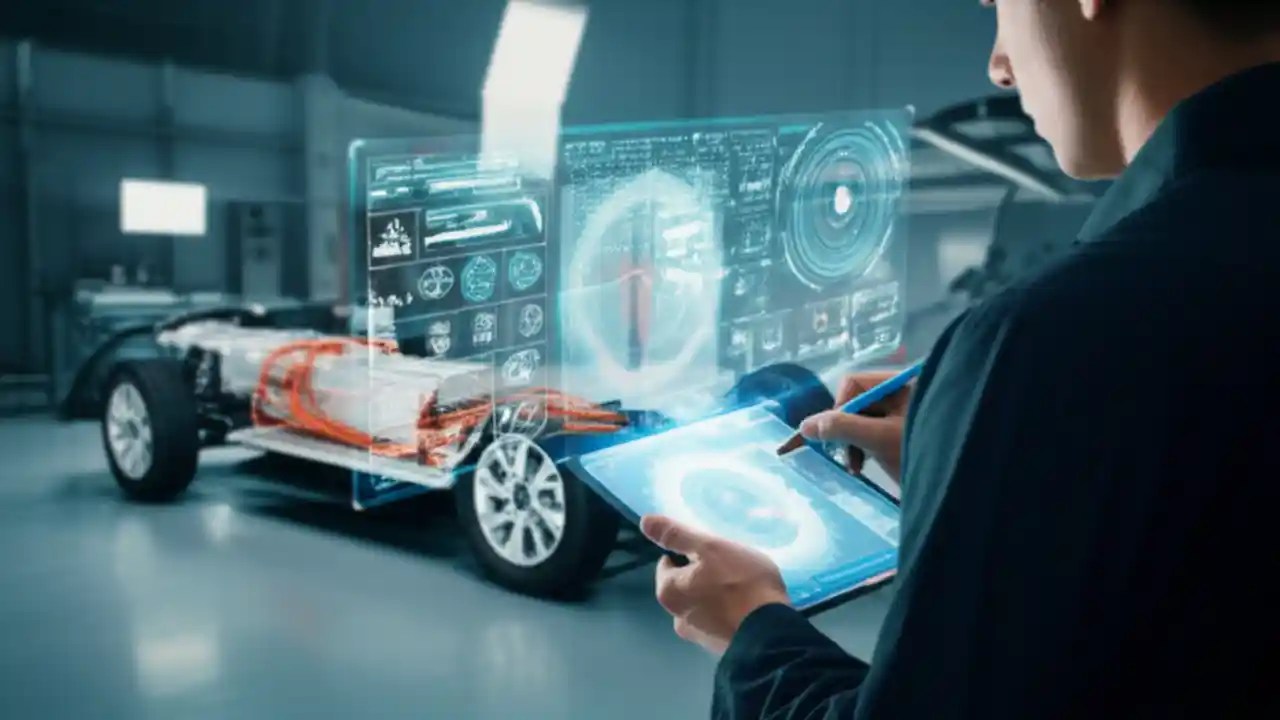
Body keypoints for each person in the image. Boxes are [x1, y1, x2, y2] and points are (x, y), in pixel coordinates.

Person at [640, 0, 1280, 717]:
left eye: (996, 6)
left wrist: (756, 630)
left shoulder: (1050, 342)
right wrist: (1008, 474)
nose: (999, 65)